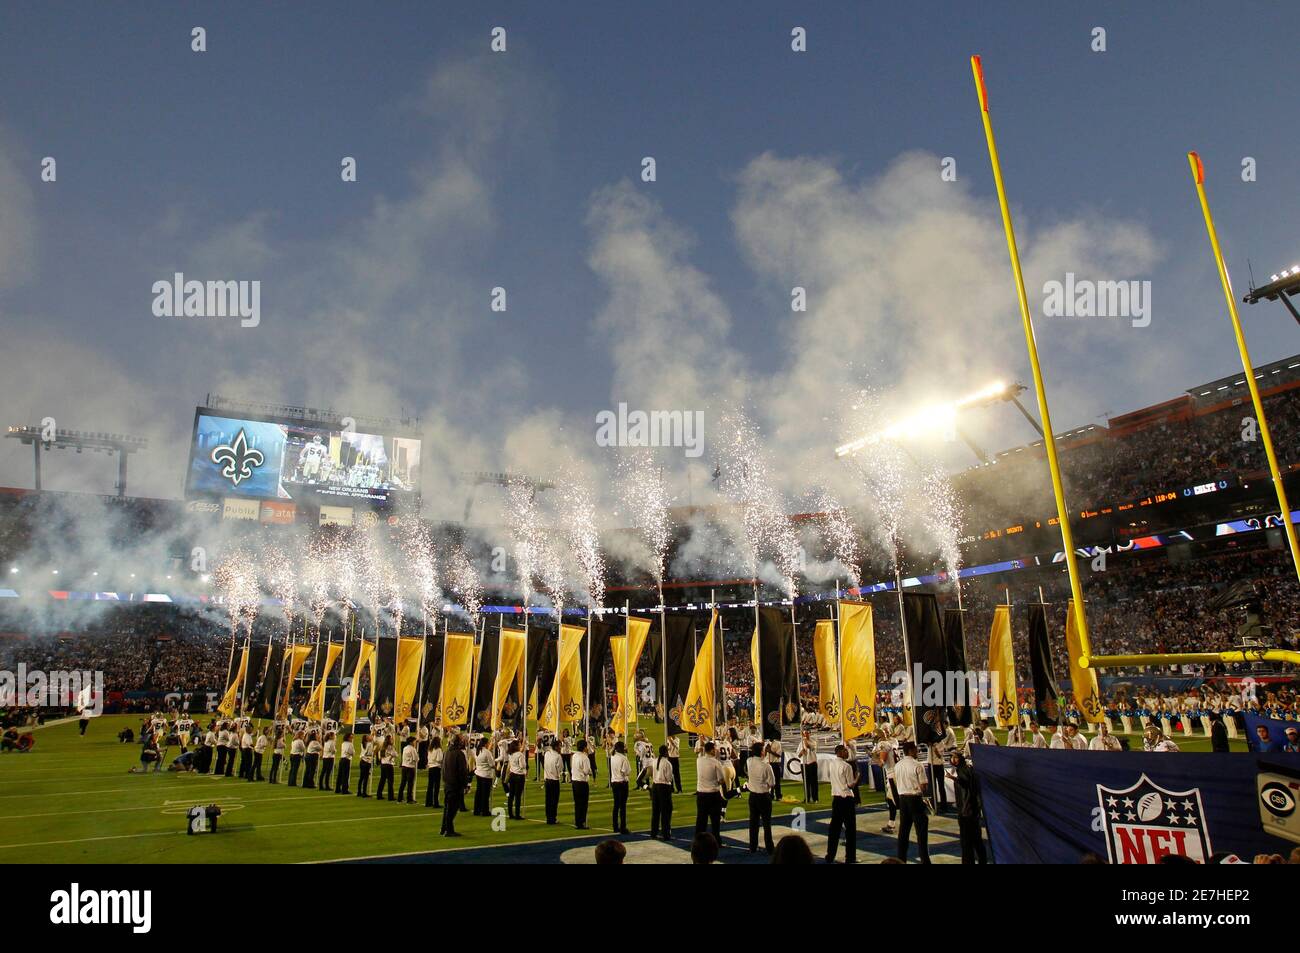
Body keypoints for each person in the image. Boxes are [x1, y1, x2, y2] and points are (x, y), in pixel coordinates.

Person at [895, 741, 930, 864]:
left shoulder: (898, 765)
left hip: (902, 799)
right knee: (921, 832)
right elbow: (923, 786)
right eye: (915, 749)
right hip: (914, 798)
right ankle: (925, 860)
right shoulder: (917, 765)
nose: (917, 751)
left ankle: (900, 859)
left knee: (903, 831)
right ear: (910, 750)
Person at [824, 744, 859, 864]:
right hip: (846, 799)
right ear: (839, 752)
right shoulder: (847, 766)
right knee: (850, 830)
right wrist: (857, 778)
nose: (847, 752)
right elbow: (850, 785)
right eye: (845, 750)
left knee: (834, 829)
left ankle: (830, 855)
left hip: (836, 799)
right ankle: (850, 858)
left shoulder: (832, 764)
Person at [950, 751, 987, 864]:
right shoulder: (968, 768)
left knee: (966, 842)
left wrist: (954, 778)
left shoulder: (962, 770)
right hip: (973, 810)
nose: (953, 759)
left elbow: (965, 784)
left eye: (954, 757)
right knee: (977, 840)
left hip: (966, 812)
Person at [746, 742, 776, 854]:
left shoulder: (749, 761)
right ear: (762, 752)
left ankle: (752, 847)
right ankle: (770, 848)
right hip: (763, 796)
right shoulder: (766, 766)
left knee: (753, 823)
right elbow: (772, 783)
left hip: (752, 796)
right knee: (766, 824)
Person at [694, 740, 726, 841]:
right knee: (715, 821)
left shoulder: (699, 760)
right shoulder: (716, 763)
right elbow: (721, 780)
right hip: (713, 794)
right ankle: (716, 841)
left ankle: (698, 841)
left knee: (701, 820)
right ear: (712, 750)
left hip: (701, 794)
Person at [440, 734, 468, 836]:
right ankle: (448, 830)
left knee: (447, 807)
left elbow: (443, 768)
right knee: (452, 809)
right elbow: (462, 771)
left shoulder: (447, 752)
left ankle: (444, 828)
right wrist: (465, 785)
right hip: (455, 785)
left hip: (447, 783)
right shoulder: (459, 754)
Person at [650, 743, 675, 840]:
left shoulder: (655, 761)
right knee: (666, 812)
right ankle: (666, 834)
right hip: (664, 787)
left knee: (655, 811)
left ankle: (653, 833)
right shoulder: (667, 763)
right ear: (666, 752)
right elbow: (669, 778)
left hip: (655, 786)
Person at [609, 740, 632, 834]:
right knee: (622, 806)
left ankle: (615, 826)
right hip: (622, 782)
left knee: (616, 805)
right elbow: (626, 771)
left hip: (614, 782)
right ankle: (623, 827)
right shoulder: (623, 758)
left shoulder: (613, 756)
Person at [571, 738, 593, 829]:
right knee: (583, 803)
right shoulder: (584, 757)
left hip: (574, 781)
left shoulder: (575, 755)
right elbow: (586, 770)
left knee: (577, 803)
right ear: (584, 747)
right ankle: (581, 822)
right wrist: (590, 772)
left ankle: (578, 821)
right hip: (582, 782)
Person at [543, 737, 564, 824]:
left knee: (548, 800)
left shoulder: (547, 753)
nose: (560, 748)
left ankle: (549, 817)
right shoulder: (558, 756)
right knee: (554, 801)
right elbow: (560, 768)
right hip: (554, 780)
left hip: (547, 780)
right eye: (559, 746)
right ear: (556, 747)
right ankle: (553, 818)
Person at [472, 737, 495, 816]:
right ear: (486, 743)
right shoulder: (487, 752)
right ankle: (485, 811)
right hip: (486, 775)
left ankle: (476, 810)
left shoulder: (477, 751)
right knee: (485, 794)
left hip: (478, 773)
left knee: (478, 793)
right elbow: (491, 764)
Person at [506, 739, 528, 819]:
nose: (520, 745)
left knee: (511, 795)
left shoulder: (510, 754)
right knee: (518, 796)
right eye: (519, 744)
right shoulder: (520, 755)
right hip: (519, 776)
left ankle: (510, 814)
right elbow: (522, 766)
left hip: (512, 775)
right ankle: (517, 814)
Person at [797, 731, 819, 803]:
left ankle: (815, 798)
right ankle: (807, 798)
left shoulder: (813, 741)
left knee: (813, 782)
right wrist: (801, 752)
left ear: (809, 734)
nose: (806, 734)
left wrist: (804, 739)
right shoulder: (801, 743)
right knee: (806, 782)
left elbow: (808, 746)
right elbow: (798, 755)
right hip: (804, 764)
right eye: (804, 733)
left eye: (807, 733)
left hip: (812, 763)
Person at [398, 736, 419, 803]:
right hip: (410, 767)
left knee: (403, 783)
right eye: (414, 741)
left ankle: (400, 797)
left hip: (404, 767)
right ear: (411, 742)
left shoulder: (405, 748)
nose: (415, 743)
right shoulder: (412, 749)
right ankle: (409, 799)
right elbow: (416, 759)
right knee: (410, 784)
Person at [425, 736, 443, 808]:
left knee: (430, 786)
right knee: (436, 786)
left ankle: (428, 802)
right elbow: (439, 759)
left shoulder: (430, 749)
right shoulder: (438, 749)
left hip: (431, 768)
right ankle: (436, 803)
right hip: (436, 768)